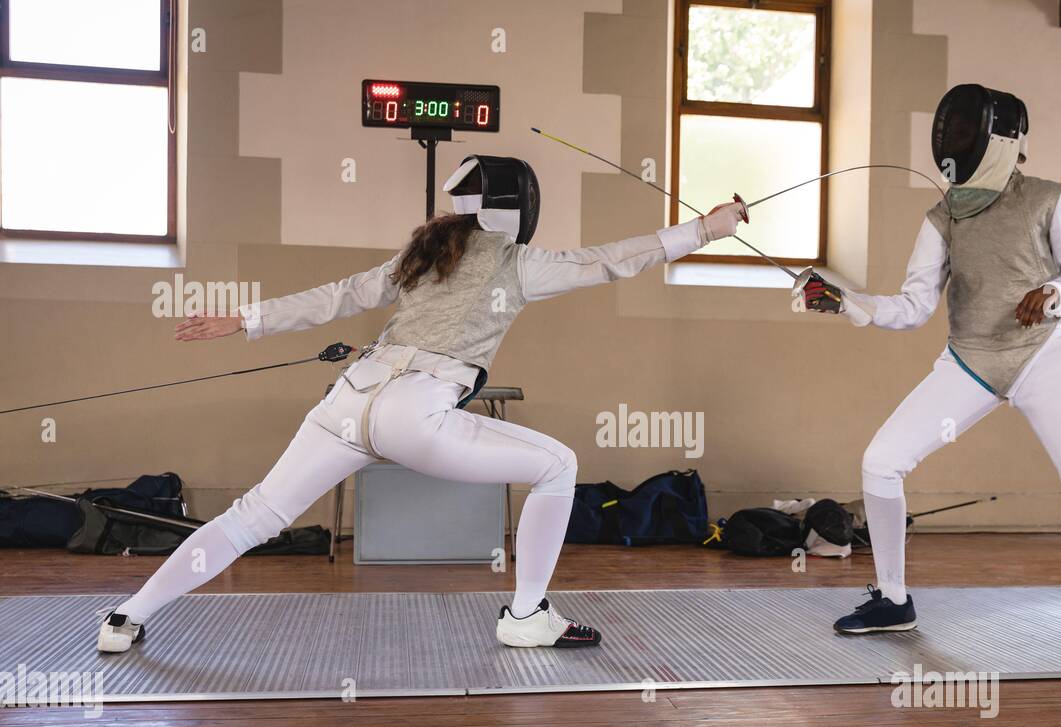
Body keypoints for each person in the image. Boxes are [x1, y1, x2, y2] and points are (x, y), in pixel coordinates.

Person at [99, 154, 747, 652]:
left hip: (346, 402)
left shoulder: (421, 254)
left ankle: (126, 618)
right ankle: (526, 616)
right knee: (557, 466)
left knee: (251, 517)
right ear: (516, 205)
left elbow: (341, 293)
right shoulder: (516, 261)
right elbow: (610, 261)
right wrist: (706, 230)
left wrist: (243, 318)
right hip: (415, 411)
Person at [797, 85, 1061, 640]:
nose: (957, 142)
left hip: (1044, 356)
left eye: (968, 133)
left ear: (1000, 140)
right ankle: (894, 600)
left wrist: (1053, 294)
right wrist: (846, 302)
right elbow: (911, 308)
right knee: (882, 462)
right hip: (970, 361)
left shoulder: (1049, 197)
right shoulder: (943, 215)